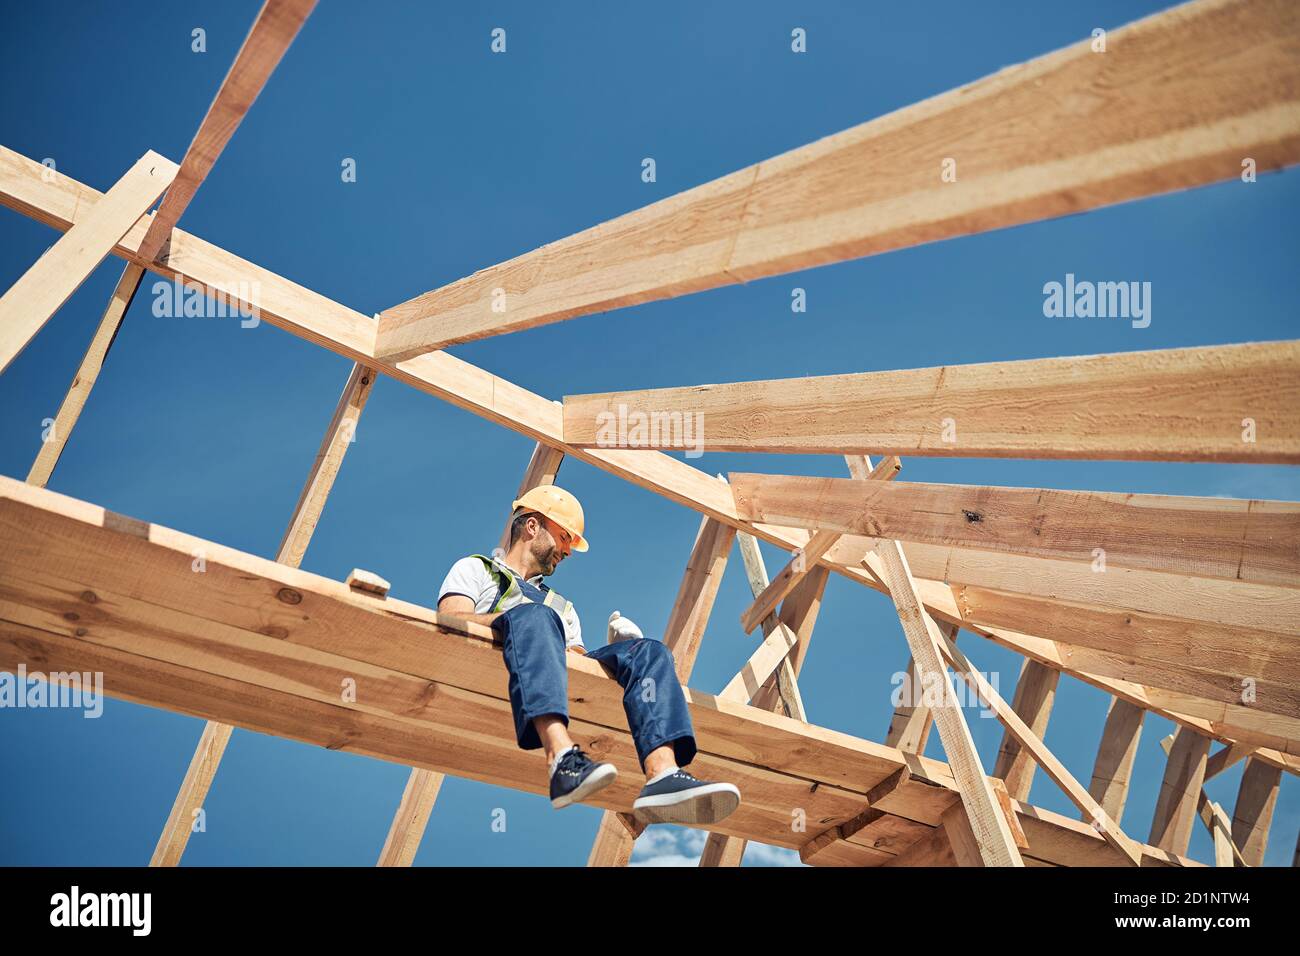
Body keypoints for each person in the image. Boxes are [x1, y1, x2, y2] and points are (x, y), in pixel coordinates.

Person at [437, 484, 741, 825]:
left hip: (544, 677)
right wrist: (515, 622)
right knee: (536, 617)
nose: (567, 550)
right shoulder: (476, 569)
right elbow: (451, 621)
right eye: (565, 537)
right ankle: (562, 758)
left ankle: (663, 773)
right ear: (533, 525)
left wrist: (622, 654)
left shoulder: (562, 608)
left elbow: (576, 662)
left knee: (650, 652)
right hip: (485, 669)